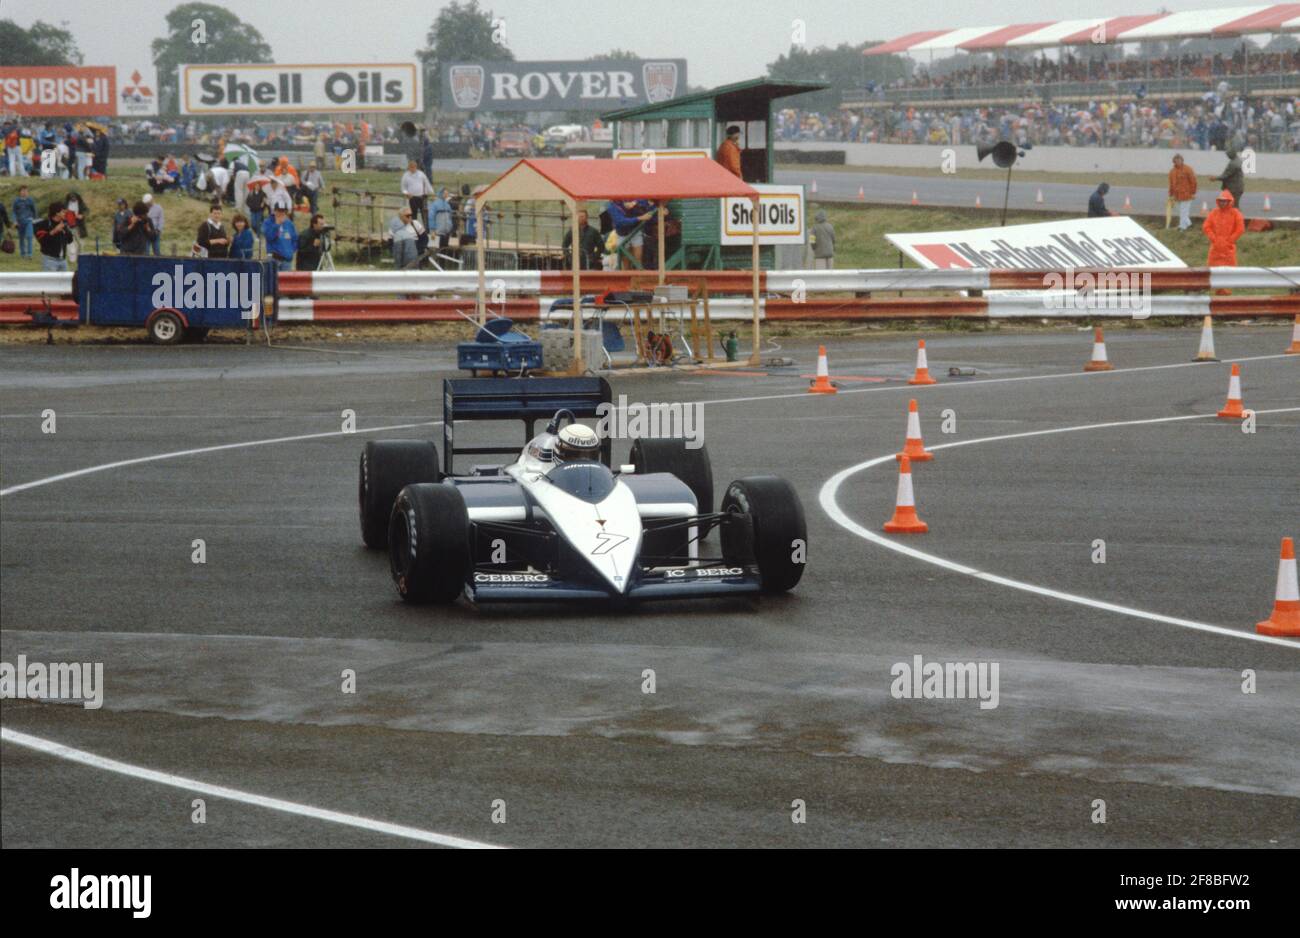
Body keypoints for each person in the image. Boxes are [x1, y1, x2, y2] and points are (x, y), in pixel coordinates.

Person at [1203, 190, 1244, 293]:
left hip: (1228, 248)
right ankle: (1216, 291)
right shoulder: (1214, 212)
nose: (1222, 203)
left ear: (1229, 201)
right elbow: (1206, 226)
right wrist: (1214, 239)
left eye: (1224, 201)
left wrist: (1230, 241)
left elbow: (1240, 229)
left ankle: (1226, 292)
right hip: (1215, 247)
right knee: (1213, 270)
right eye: (1221, 201)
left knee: (1229, 271)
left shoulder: (1235, 213)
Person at [606, 198, 654, 268]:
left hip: (635, 231)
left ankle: (638, 276)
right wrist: (639, 218)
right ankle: (628, 277)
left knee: (638, 259)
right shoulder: (611, 206)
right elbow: (620, 221)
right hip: (622, 234)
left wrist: (635, 203)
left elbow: (646, 202)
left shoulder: (629, 197)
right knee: (625, 261)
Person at [33, 201, 75, 271]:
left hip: (63, 261)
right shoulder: (44, 224)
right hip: (49, 261)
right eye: (63, 212)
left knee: (65, 282)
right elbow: (42, 241)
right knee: (50, 282)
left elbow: (70, 240)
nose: (65, 214)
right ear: (57, 213)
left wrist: (67, 230)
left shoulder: (64, 224)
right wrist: (54, 231)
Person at [1167, 154, 1198, 231]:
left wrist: (1193, 193)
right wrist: (1170, 195)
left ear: (1182, 160)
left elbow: (1193, 182)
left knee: (1183, 211)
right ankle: (1189, 224)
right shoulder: (1172, 172)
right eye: (1176, 160)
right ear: (1173, 161)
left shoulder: (1188, 169)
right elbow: (1171, 184)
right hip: (1177, 196)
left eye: (1179, 160)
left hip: (1186, 194)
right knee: (1181, 211)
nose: (1178, 161)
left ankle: (1182, 227)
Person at [263, 205, 299, 271]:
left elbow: (295, 239)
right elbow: (269, 237)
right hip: (274, 259)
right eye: (278, 211)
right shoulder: (267, 222)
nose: (281, 213)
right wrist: (277, 224)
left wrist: (290, 251)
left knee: (286, 280)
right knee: (273, 280)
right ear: (274, 211)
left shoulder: (289, 223)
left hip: (287, 259)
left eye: (283, 211)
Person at [11, 186, 37, 258]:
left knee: (29, 236)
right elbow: (13, 212)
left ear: (28, 192)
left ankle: (30, 254)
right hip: (20, 222)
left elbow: (34, 210)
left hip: (29, 221)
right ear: (20, 192)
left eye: (26, 191)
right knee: (21, 238)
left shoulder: (30, 200)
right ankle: (23, 253)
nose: (24, 192)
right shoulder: (16, 201)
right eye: (23, 191)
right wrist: (14, 220)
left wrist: (34, 219)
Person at [428, 186, 454, 253]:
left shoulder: (448, 205)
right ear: (440, 193)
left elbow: (450, 217)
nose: (446, 195)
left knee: (445, 250)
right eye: (445, 193)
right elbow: (431, 217)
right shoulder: (434, 205)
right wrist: (432, 230)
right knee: (437, 251)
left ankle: (444, 263)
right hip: (438, 232)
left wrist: (450, 227)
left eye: (447, 193)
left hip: (446, 232)